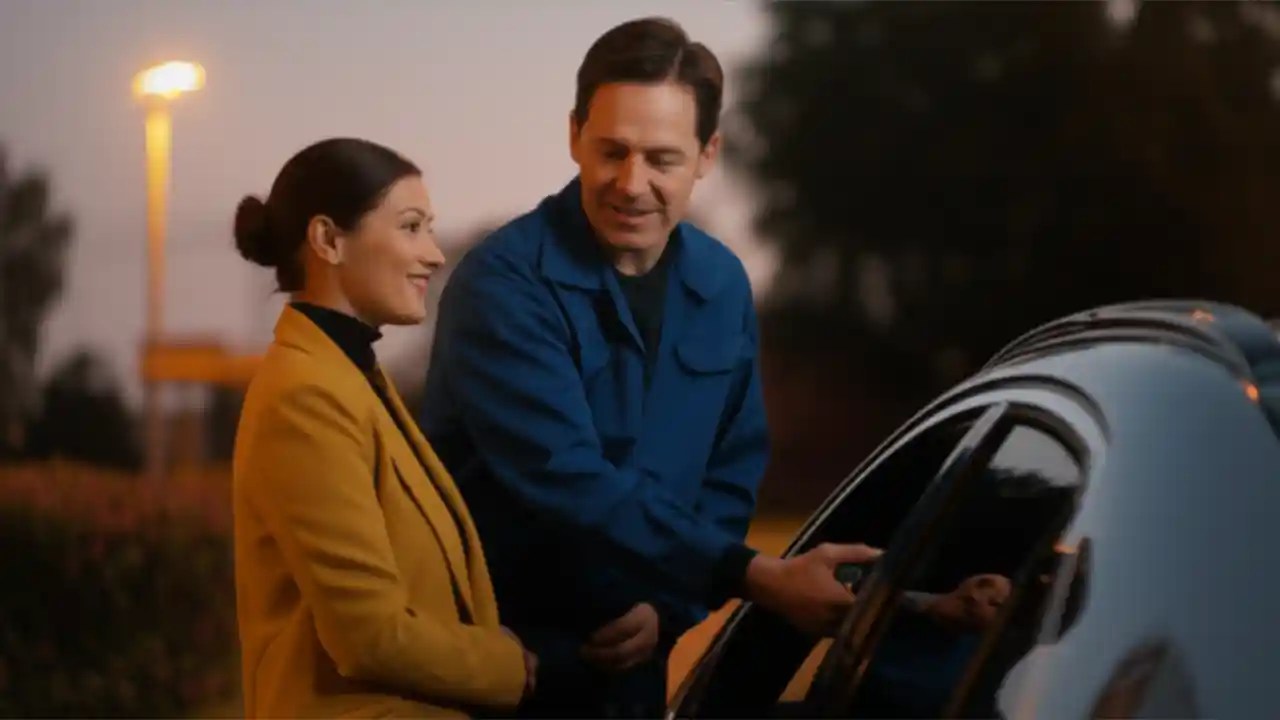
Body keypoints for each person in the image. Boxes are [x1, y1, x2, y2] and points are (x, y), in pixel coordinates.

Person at [418, 18, 879, 717]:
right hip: (499, 670)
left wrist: (670, 609)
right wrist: (753, 575)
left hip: (636, 673)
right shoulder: (503, 286)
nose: (631, 184)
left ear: (707, 153)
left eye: (661, 159)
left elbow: (730, 470)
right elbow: (565, 477)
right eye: (612, 152)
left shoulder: (721, 286)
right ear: (574, 135)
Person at [230, 138, 536, 718]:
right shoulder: (307, 393)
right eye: (411, 227)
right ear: (328, 241)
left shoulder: (351, 376)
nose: (434, 254)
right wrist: (506, 667)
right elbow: (368, 635)